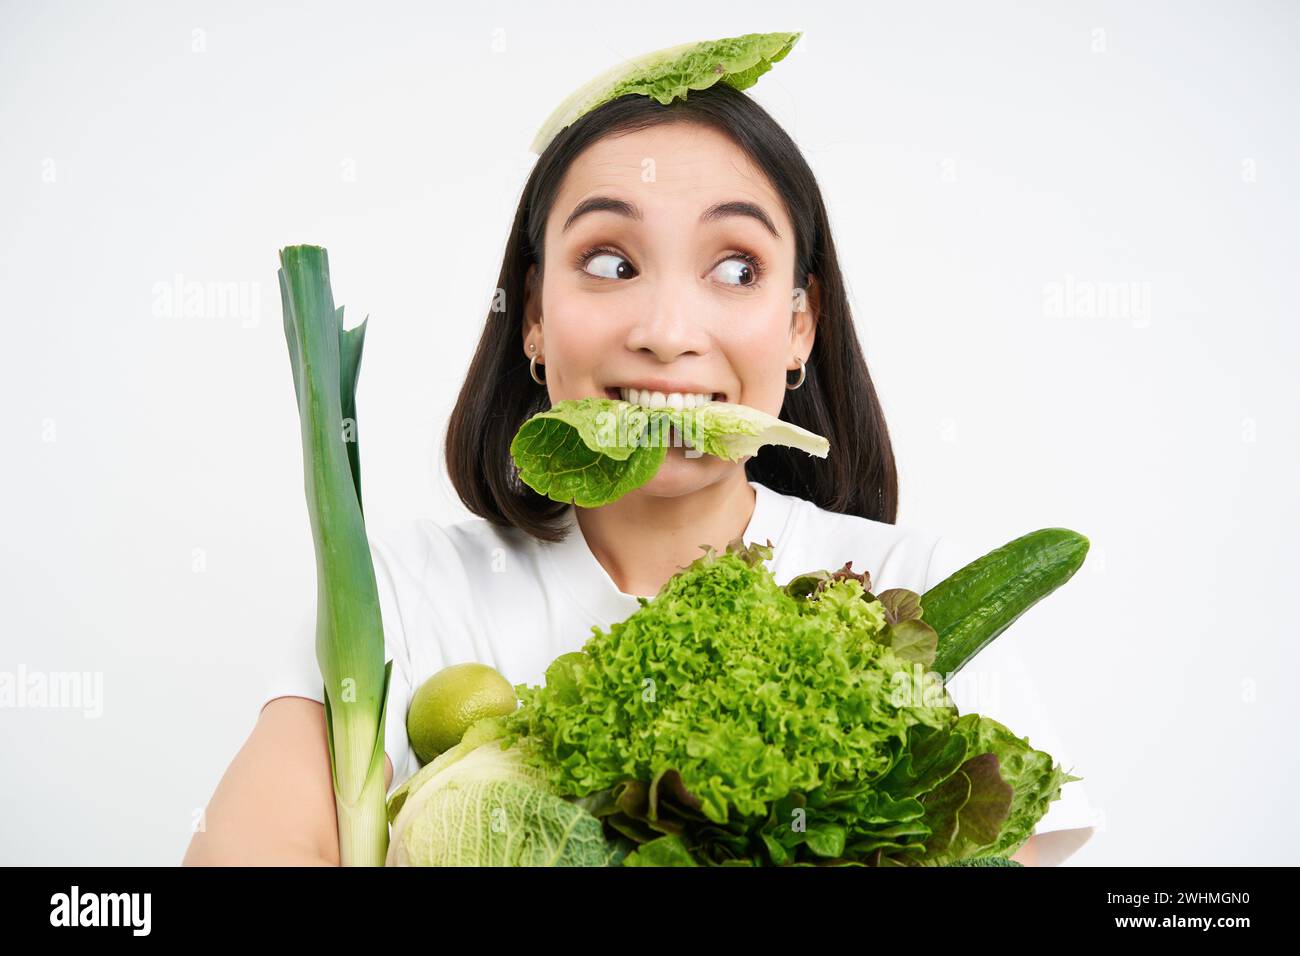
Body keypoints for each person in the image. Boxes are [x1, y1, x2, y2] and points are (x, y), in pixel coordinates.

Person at [184, 79, 1097, 868]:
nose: (667, 329)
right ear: (533, 318)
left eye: (736, 268)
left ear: (799, 328)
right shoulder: (405, 596)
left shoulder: (919, 593)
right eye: (610, 263)